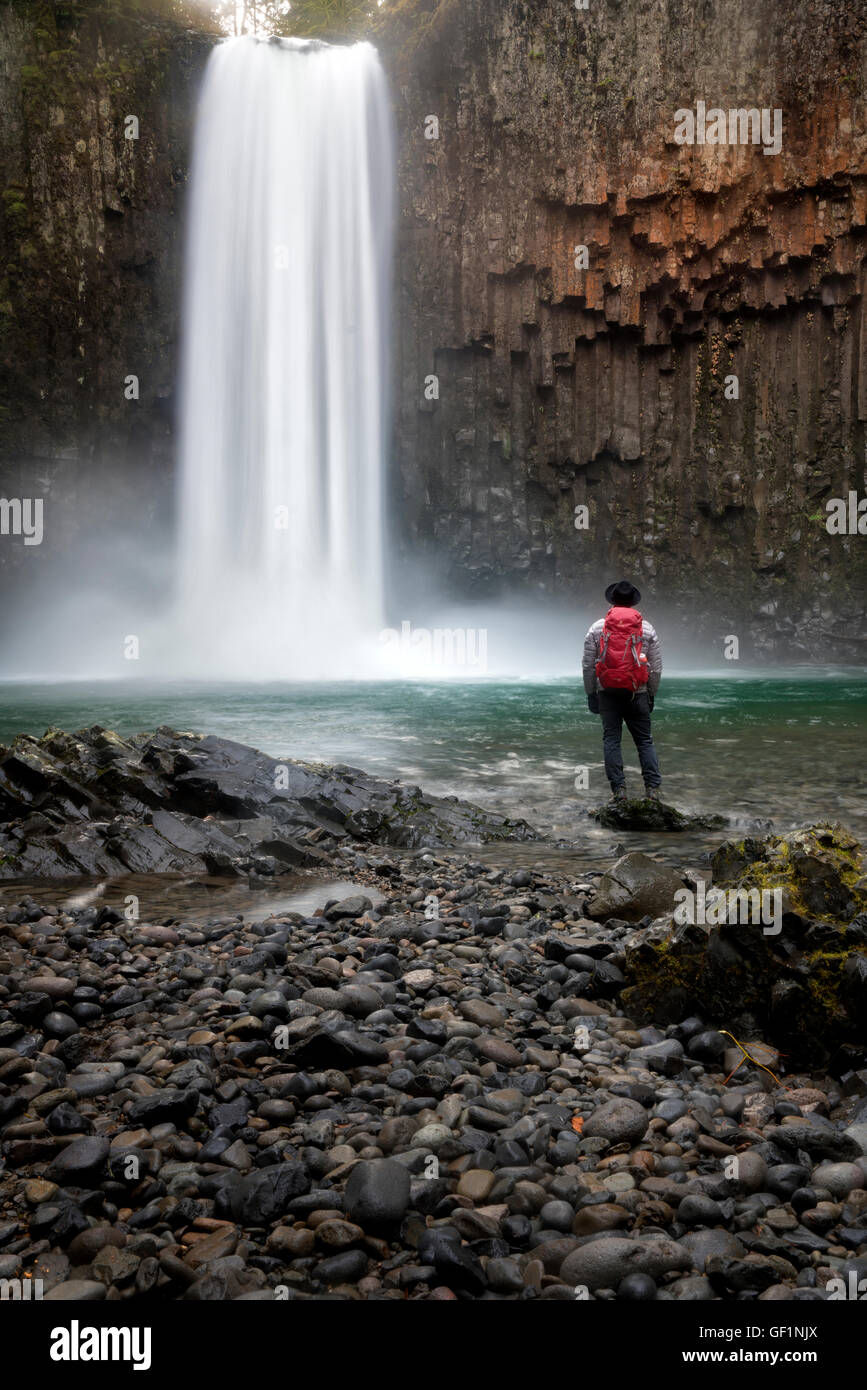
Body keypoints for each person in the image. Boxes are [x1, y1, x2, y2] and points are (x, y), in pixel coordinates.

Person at [582, 579, 663, 801]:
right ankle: (653, 790)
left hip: (607, 692)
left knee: (611, 740)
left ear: (612, 601)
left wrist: (591, 693)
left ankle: (619, 792)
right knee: (645, 740)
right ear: (632, 602)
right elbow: (655, 667)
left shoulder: (597, 627)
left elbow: (588, 665)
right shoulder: (646, 628)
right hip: (638, 692)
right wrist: (651, 693)